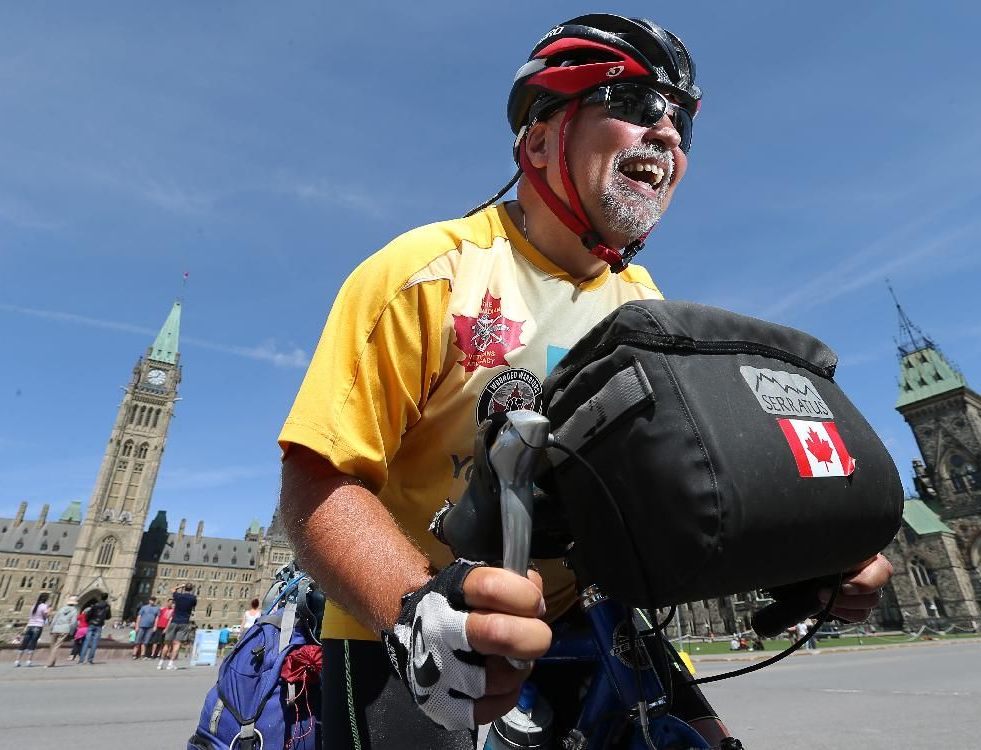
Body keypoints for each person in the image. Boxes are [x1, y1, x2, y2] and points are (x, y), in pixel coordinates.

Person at [277, 13, 894, 749]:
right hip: (415, 621)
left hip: (588, 613)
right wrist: (415, 610)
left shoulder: (645, 306)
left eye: (681, 125)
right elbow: (317, 481)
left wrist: (801, 560)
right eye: (633, 103)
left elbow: (671, 489)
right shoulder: (425, 272)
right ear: (539, 142)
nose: (666, 132)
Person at [158, 583, 196, 670]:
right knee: (177, 644)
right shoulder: (193, 598)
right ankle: (170, 664)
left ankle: (160, 664)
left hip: (174, 621)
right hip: (184, 622)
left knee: (167, 644)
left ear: (185, 588)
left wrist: (180, 586)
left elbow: (172, 589)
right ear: (191, 589)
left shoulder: (178, 596)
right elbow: (194, 605)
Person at [16, 592, 51, 667]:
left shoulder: (34, 606)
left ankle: (17, 660)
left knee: (24, 643)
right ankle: (29, 661)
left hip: (30, 626)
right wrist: (49, 610)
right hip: (38, 626)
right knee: (33, 643)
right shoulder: (44, 606)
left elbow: (31, 616)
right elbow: (46, 616)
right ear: (46, 599)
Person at [46, 595, 80, 667]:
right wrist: (71, 632)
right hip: (65, 629)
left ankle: (51, 662)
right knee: (56, 646)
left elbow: (54, 619)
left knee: (52, 646)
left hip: (55, 628)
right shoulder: (74, 611)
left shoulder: (61, 609)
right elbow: (73, 622)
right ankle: (49, 663)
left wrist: (51, 629)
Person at [79, 593, 112, 664]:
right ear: (106, 598)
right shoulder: (107, 606)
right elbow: (109, 616)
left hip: (91, 624)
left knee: (86, 641)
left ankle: (82, 659)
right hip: (99, 625)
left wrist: (88, 621)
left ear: (100, 597)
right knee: (94, 643)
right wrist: (103, 618)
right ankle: (90, 660)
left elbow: (89, 614)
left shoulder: (95, 605)